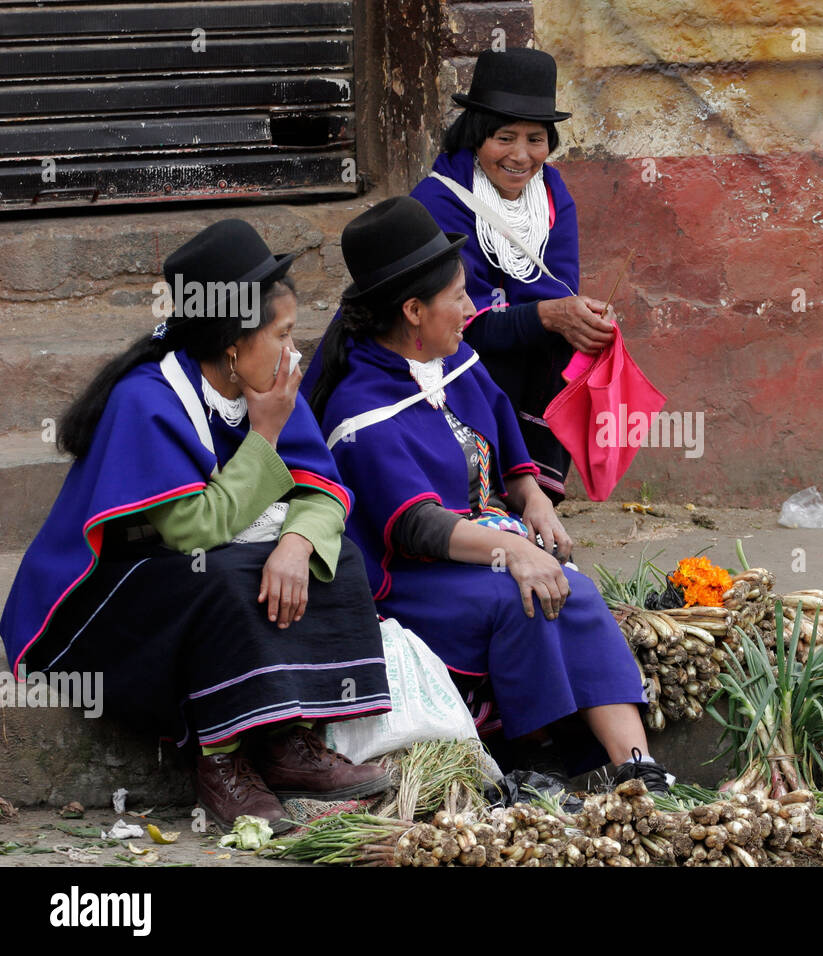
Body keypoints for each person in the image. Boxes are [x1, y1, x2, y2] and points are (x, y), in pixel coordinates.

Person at [0, 220, 391, 833]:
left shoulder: (267, 385)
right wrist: (263, 436)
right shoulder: (148, 399)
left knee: (335, 559)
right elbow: (193, 530)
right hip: (107, 600)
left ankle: (286, 739)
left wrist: (294, 542)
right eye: (284, 335)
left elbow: (323, 490)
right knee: (224, 574)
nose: (296, 355)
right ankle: (221, 759)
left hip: (198, 573)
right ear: (234, 344)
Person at [308, 196, 669, 791]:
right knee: (522, 598)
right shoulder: (360, 409)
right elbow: (415, 527)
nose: (471, 310)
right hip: (420, 575)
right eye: (458, 297)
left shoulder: (456, 360)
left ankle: (638, 766)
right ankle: (546, 764)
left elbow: (505, 440)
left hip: (487, 545)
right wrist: (516, 554)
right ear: (414, 310)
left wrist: (533, 498)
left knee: (573, 589)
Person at [407, 46, 617, 502]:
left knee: (573, 339)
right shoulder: (438, 201)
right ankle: (482, 489)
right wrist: (546, 314)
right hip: (447, 353)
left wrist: (577, 316)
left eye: (535, 139)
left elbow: (558, 289)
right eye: (505, 137)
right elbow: (457, 323)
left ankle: (536, 495)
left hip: (517, 343)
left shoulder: (551, 193)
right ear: (476, 136)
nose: (521, 156)